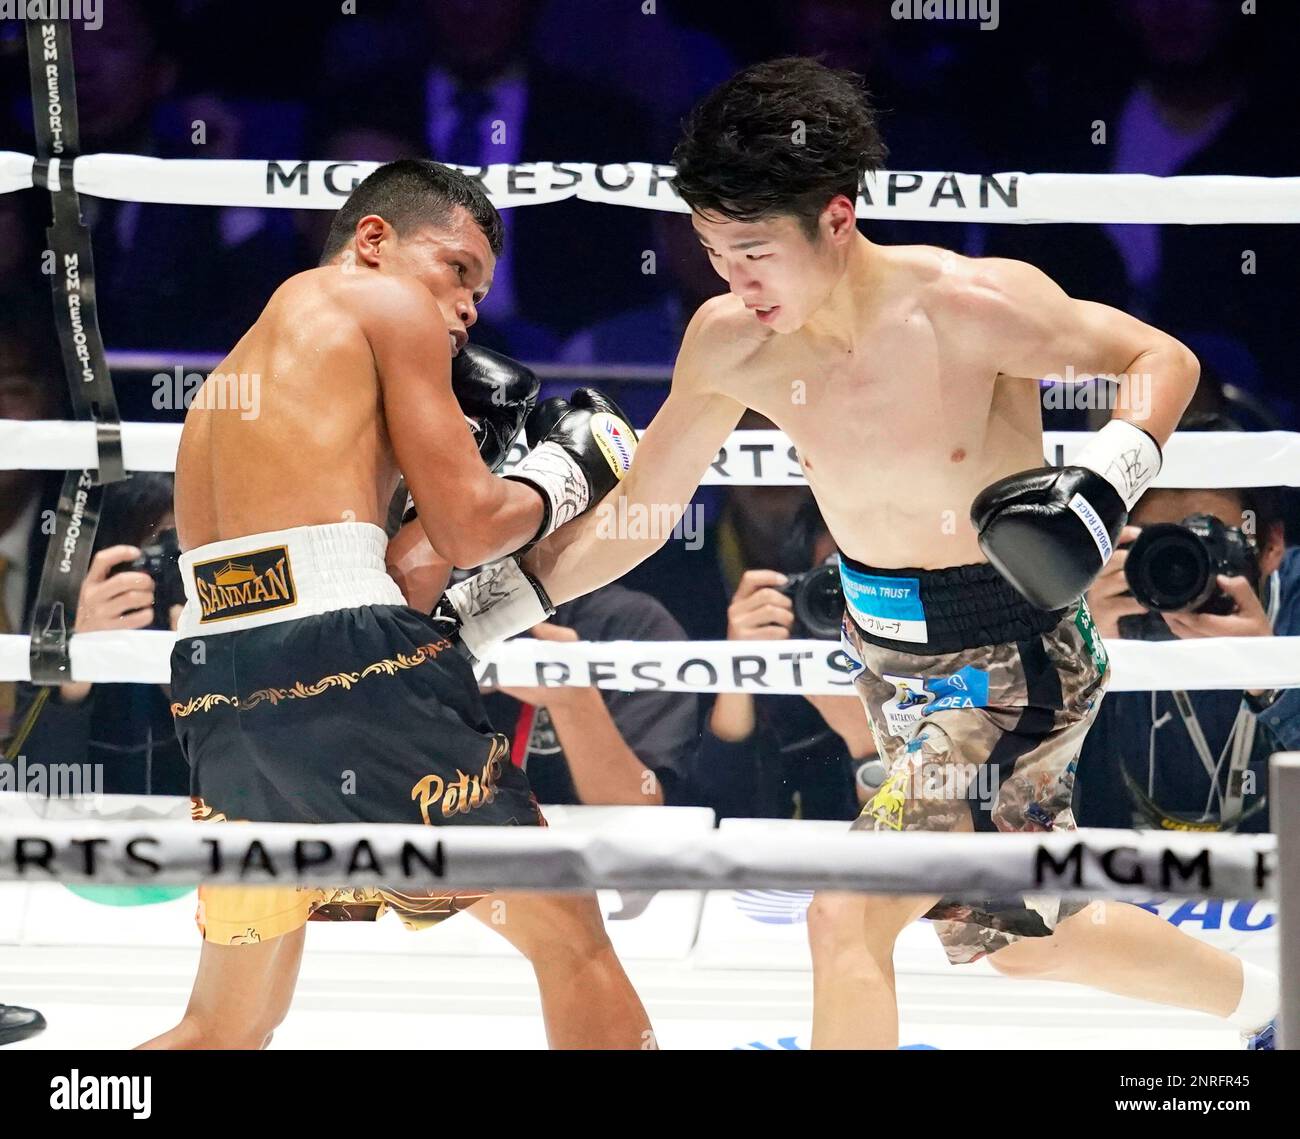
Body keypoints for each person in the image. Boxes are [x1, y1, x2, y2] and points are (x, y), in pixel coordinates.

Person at [438, 59, 1277, 1049]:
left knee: (845, 907)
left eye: (754, 252)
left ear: (835, 219)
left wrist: (1101, 481)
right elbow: (644, 510)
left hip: (1014, 653)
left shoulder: (967, 306)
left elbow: (1161, 359)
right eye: (713, 251)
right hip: (885, 652)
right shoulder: (731, 340)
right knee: (1010, 932)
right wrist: (488, 606)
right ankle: (1270, 1005)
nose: (734, 280)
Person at [141, 159, 650, 1050]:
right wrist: (568, 471)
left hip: (219, 684)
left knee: (227, 1022)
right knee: (571, 939)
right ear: (373, 239)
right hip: (344, 658)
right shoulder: (385, 304)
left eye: (481, 295)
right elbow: (469, 527)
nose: (464, 309)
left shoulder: (238, 378)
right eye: (456, 270)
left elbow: (347, 569)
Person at [1078, 413, 1298, 832]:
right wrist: (1082, 659)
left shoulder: (1296, 602)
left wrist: (1276, 685)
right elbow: (1020, 792)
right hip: (1115, 882)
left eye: (1208, 541)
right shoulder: (1078, 601)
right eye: (1160, 545)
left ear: (1272, 546)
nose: (1181, 567)